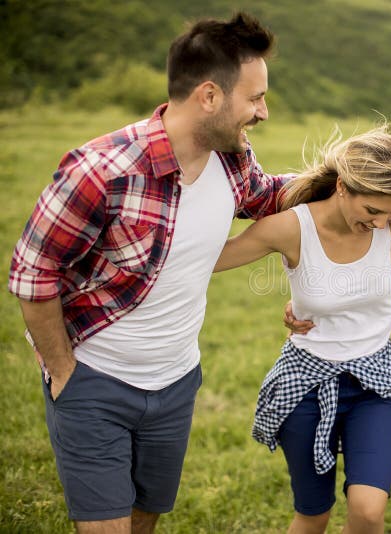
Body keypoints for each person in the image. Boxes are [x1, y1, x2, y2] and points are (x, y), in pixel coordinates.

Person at [8, 13, 287, 533]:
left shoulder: (231, 160)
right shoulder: (101, 171)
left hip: (177, 382)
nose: (263, 112)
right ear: (209, 96)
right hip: (94, 382)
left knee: (146, 516)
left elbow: (268, 195)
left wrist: (351, 179)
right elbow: (33, 272)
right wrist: (63, 371)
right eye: (254, 99)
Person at [214, 125, 391, 534]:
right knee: (314, 514)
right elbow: (206, 260)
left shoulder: (388, 224)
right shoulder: (291, 228)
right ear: (342, 187)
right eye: (372, 211)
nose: (382, 223)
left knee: (368, 511)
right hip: (307, 382)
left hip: (375, 382)